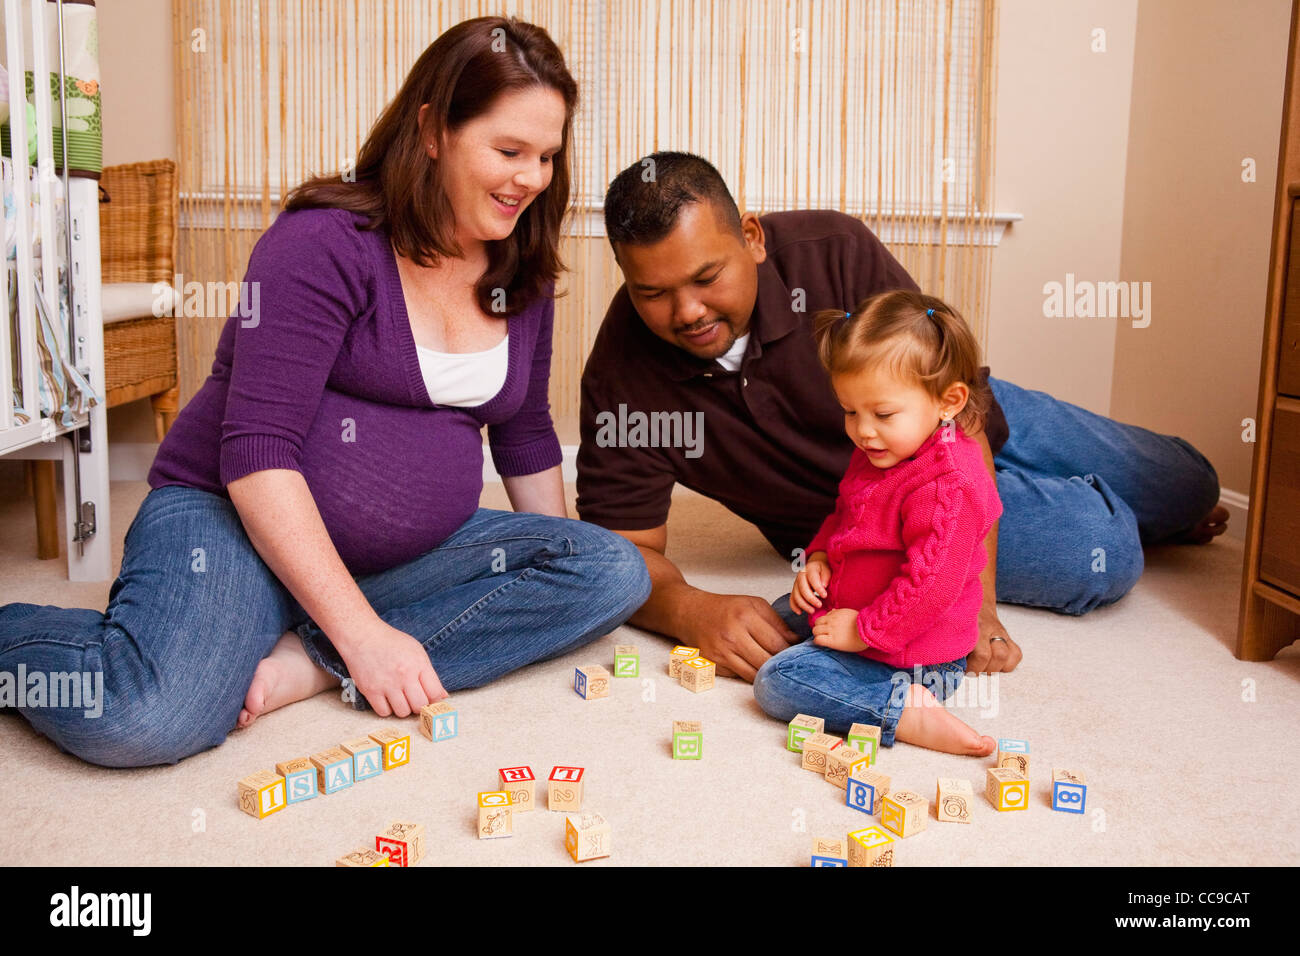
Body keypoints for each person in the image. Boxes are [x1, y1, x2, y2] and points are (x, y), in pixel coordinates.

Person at [0, 17, 649, 768]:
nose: (531, 178)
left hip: (406, 556)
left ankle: (310, 658)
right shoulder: (323, 245)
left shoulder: (521, 272)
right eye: (508, 151)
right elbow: (256, 453)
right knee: (146, 716)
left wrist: (553, 551)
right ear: (433, 130)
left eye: (546, 156)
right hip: (231, 522)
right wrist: (367, 636)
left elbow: (525, 432)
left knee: (608, 569)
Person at [576, 151, 1226, 682]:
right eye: (652, 292)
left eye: (706, 277)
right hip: (881, 522)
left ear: (751, 238)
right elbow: (627, 553)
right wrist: (690, 610)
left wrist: (980, 603)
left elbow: (954, 401)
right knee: (1101, 551)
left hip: (964, 422)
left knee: (1191, 485)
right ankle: (1093, 506)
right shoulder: (620, 373)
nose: (686, 311)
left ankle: (1141, 502)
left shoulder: (832, 249)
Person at [757, 290, 1002, 756]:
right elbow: (846, 514)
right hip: (862, 605)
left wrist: (865, 631)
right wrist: (821, 559)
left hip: (914, 652)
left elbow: (930, 586)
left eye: (882, 414)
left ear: (948, 401)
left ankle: (902, 709)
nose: (863, 430)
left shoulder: (949, 487)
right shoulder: (883, 449)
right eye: (850, 411)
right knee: (777, 615)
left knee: (778, 682)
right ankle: (832, 644)